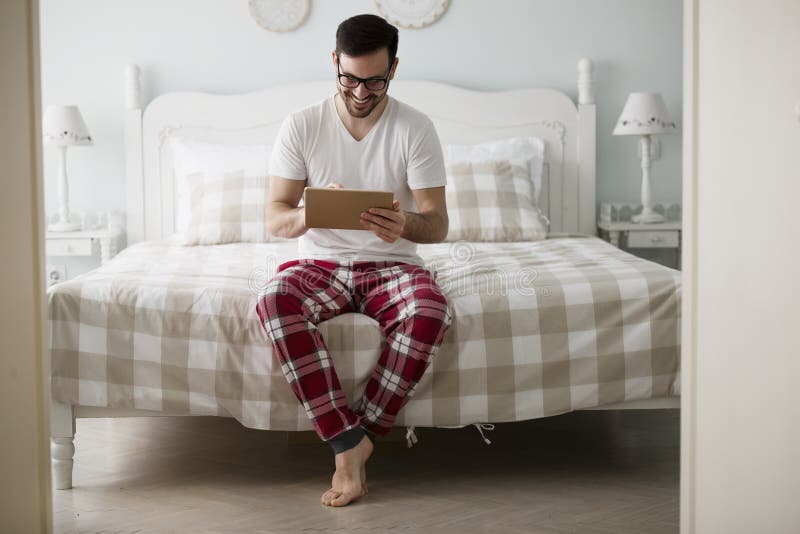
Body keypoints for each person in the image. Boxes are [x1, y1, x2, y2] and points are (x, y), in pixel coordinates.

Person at [256, 14, 452, 507]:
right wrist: (310, 212)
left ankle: (357, 438)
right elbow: (275, 219)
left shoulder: (416, 127)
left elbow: (437, 223)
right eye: (349, 79)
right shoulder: (302, 125)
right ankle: (349, 442)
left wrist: (404, 224)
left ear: (395, 67)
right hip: (321, 265)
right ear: (334, 63)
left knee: (429, 312)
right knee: (274, 300)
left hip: (394, 267)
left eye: (375, 80)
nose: (361, 93)